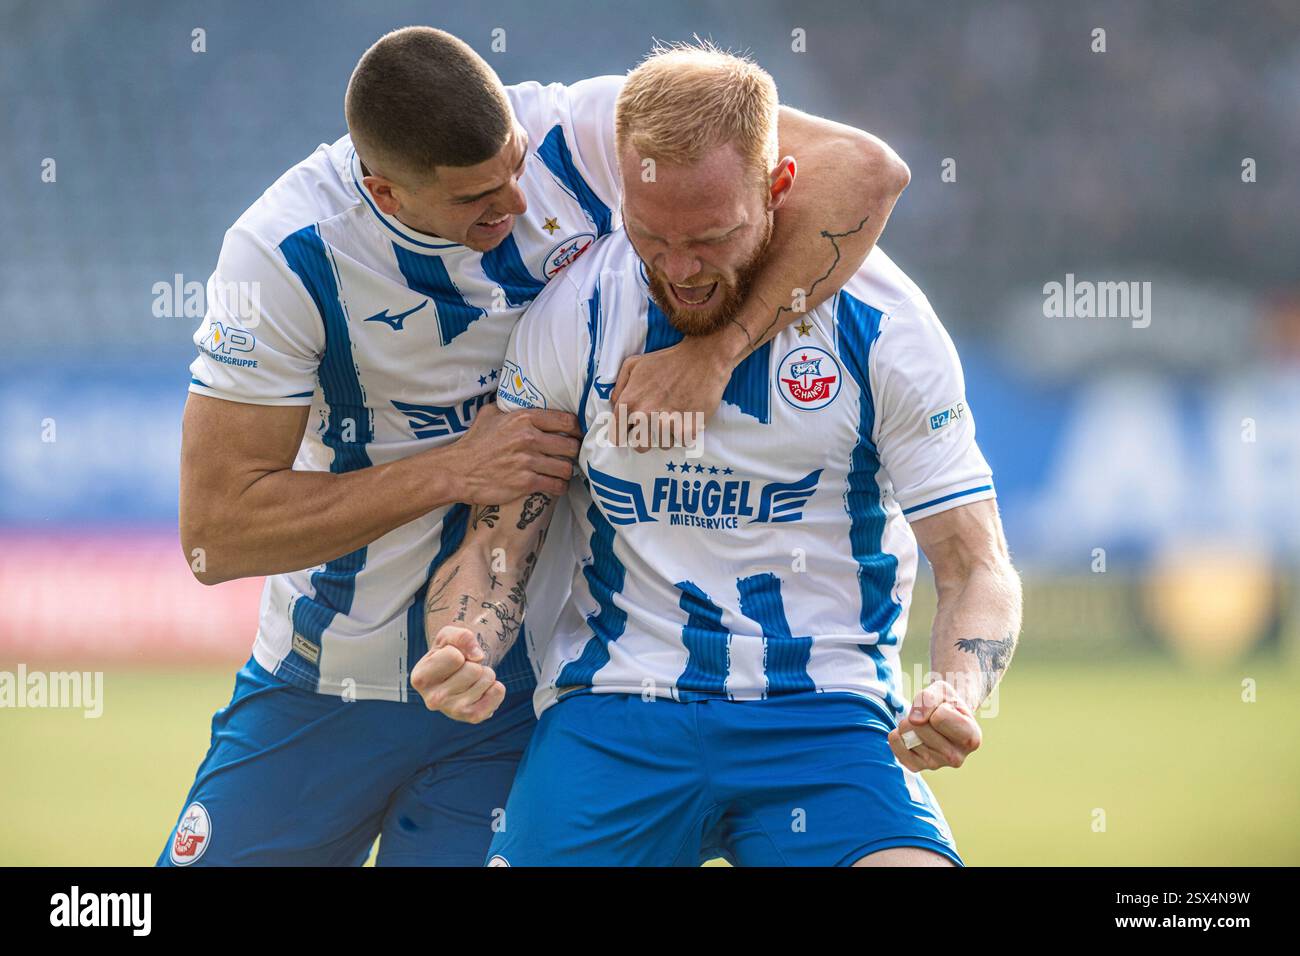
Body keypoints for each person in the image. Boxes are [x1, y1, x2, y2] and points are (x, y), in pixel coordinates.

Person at [163, 27, 910, 865]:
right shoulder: (280, 255)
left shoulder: (580, 134)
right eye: (477, 201)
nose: (515, 207)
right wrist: (451, 468)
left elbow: (864, 171)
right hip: (325, 678)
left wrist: (716, 352)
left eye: (513, 169)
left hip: (512, 698)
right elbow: (216, 534)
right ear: (386, 191)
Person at [414, 42, 1022, 866]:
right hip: (616, 712)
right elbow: (499, 537)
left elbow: (975, 562)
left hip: (825, 719)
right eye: (650, 237)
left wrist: (955, 688)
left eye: (711, 237)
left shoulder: (887, 327)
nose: (680, 270)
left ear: (778, 190)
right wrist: (464, 637)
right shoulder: (574, 314)